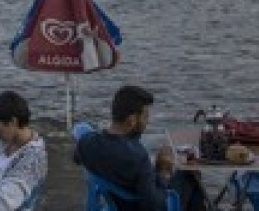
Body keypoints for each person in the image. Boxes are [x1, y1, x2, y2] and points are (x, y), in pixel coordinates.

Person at [74, 85, 205, 211]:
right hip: (135, 205)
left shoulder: (87, 142)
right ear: (131, 121)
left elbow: (77, 158)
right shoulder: (137, 158)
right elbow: (154, 207)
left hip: (114, 202)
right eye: (145, 116)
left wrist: (149, 171)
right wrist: (162, 171)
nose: (147, 121)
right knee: (190, 174)